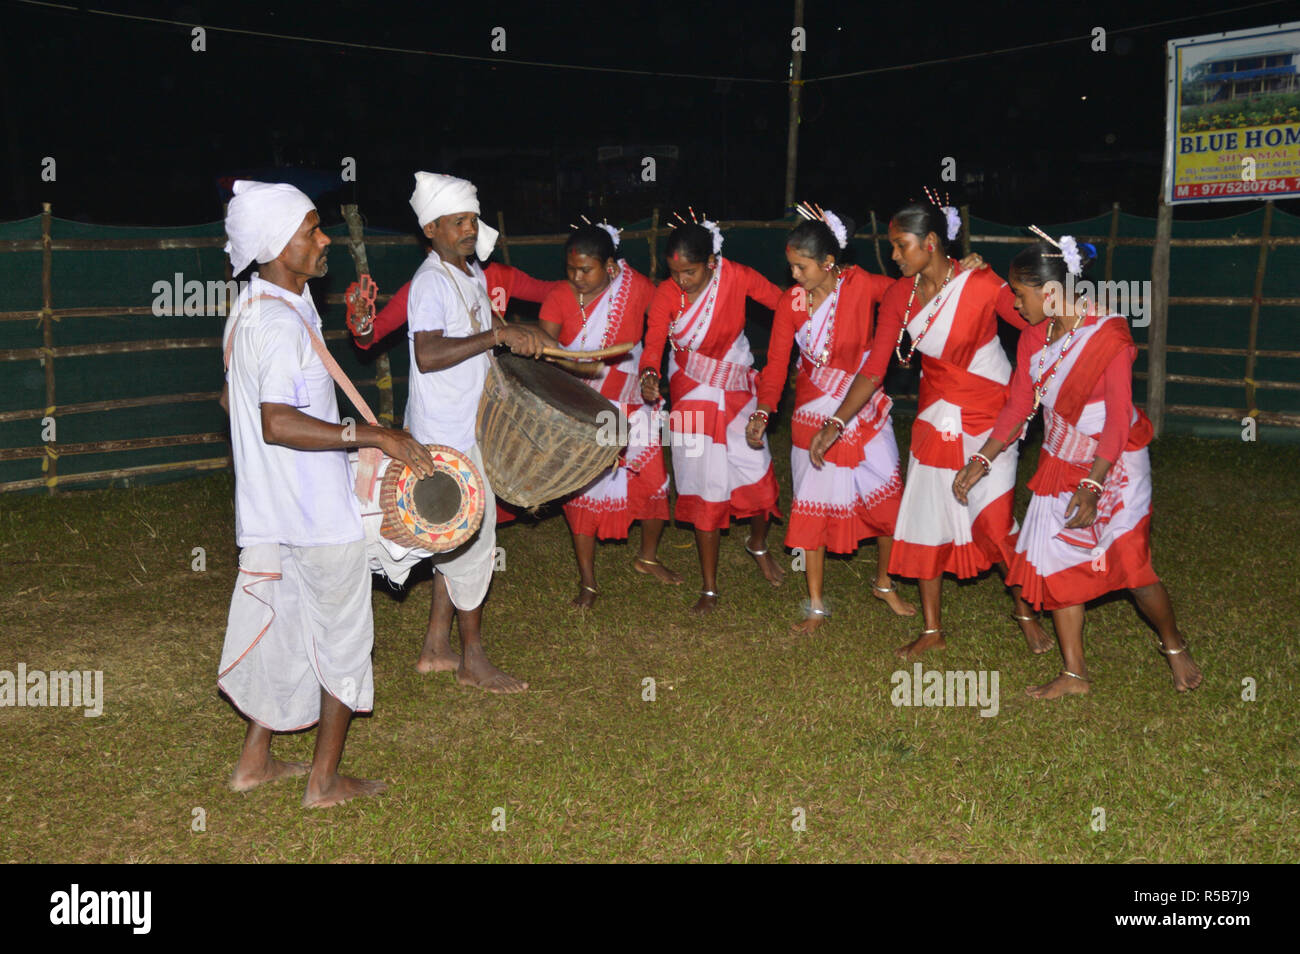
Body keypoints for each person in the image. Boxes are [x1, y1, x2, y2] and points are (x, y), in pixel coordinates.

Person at [217, 180, 435, 808]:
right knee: (344, 638)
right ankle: (324, 781)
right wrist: (371, 435)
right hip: (314, 518)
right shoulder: (278, 324)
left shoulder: (258, 307)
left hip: (269, 511)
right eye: (311, 230)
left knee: (286, 630)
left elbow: (232, 402)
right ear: (273, 243)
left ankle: (254, 762)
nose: (324, 238)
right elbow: (275, 421)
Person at [954, 231, 1202, 698]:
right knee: (1056, 560)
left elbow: (1115, 418)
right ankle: (1075, 674)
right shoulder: (1033, 335)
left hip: (1114, 462)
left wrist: (1093, 484)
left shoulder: (1107, 334)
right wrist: (983, 457)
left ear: (1050, 292)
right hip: (1060, 460)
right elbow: (1018, 405)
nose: (1015, 303)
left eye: (1020, 294)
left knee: (1132, 565)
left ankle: (1173, 645)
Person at [873, 199, 1050, 659]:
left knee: (993, 521)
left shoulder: (981, 284)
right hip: (936, 416)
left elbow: (1038, 324)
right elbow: (874, 367)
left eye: (900, 246)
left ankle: (1026, 613)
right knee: (928, 516)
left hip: (991, 417)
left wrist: (1033, 383)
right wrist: (836, 422)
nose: (894, 255)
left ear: (930, 244)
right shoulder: (901, 294)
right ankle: (933, 628)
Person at [404, 171, 559, 692]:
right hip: (444, 436)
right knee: (473, 541)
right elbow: (427, 354)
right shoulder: (429, 282)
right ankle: (473, 659)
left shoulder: (466, 273)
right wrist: (496, 333)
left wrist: (523, 333)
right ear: (431, 229)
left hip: (468, 426)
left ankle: (435, 649)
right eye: (457, 222)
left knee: (455, 541)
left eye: (472, 219)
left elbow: (484, 328)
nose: (469, 228)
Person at [751, 209, 916, 633]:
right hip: (812, 411)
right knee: (812, 511)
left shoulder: (862, 285)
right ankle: (817, 604)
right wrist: (764, 409)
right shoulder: (792, 303)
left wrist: (957, 269)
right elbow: (775, 365)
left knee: (888, 497)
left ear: (827, 263)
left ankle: (883, 581)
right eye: (790, 266)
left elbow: (912, 288)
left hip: (863, 407)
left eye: (800, 266)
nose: (793, 274)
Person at [640, 218, 785, 613]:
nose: (681, 280)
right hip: (692, 389)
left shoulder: (736, 277)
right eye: (674, 273)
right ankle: (709, 588)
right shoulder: (667, 294)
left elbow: (784, 305)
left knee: (756, 468)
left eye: (690, 271)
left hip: (736, 383)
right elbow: (654, 342)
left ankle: (757, 544)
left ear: (711, 261)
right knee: (705, 482)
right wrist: (649, 373)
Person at [538, 223, 676, 607]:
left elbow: (665, 314)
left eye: (587, 270)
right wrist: (575, 364)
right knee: (583, 491)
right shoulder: (559, 297)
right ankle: (588, 581)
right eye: (571, 269)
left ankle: (648, 557)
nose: (577, 278)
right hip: (584, 409)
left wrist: (653, 369)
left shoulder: (634, 288)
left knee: (654, 481)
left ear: (610, 267)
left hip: (634, 404)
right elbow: (544, 349)